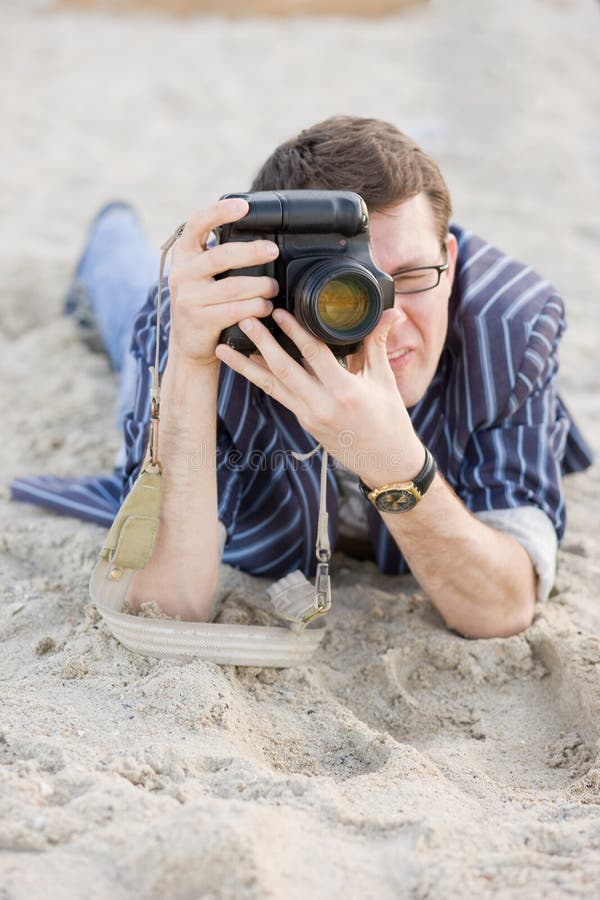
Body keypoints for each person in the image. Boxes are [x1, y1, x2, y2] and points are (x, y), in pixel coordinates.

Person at [12, 116, 593, 640]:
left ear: (452, 260)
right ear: (281, 277)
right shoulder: (222, 321)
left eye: (411, 276)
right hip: (177, 329)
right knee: (128, 304)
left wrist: (393, 463)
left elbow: (504, 608)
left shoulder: (511, 326)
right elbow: (168, 607)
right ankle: (110, 233)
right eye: (348, 287)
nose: (384, 321)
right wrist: (189, 364)